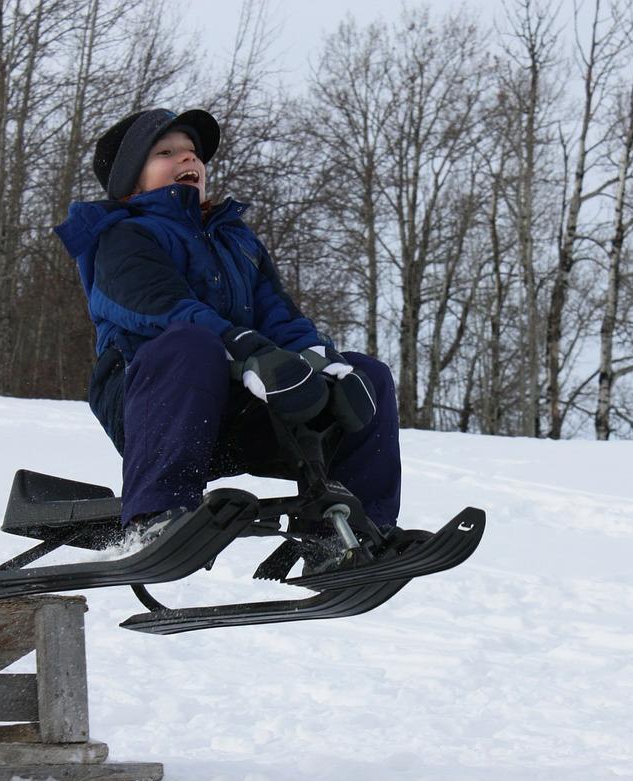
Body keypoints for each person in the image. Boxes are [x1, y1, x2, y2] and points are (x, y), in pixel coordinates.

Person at [53, 108, 401, 541]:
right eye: (166, 152)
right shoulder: (122, 236)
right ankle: (155, 517)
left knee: (366, 375)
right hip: (154, 405)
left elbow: (281, 316)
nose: (188, 161)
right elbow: (163, 307)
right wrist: (249, 350)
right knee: (191, 343)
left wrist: (322, 363)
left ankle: (350, 533)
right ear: (131, 180)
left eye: (192, 152)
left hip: (238, 409)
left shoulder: (237, 241)